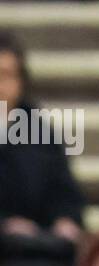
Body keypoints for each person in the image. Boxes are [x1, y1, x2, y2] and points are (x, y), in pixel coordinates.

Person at [0, 32, 85, 247]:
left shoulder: (38, 128)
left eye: (7, 74)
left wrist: (65, 219)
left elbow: (63, 188)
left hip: (34, 246)